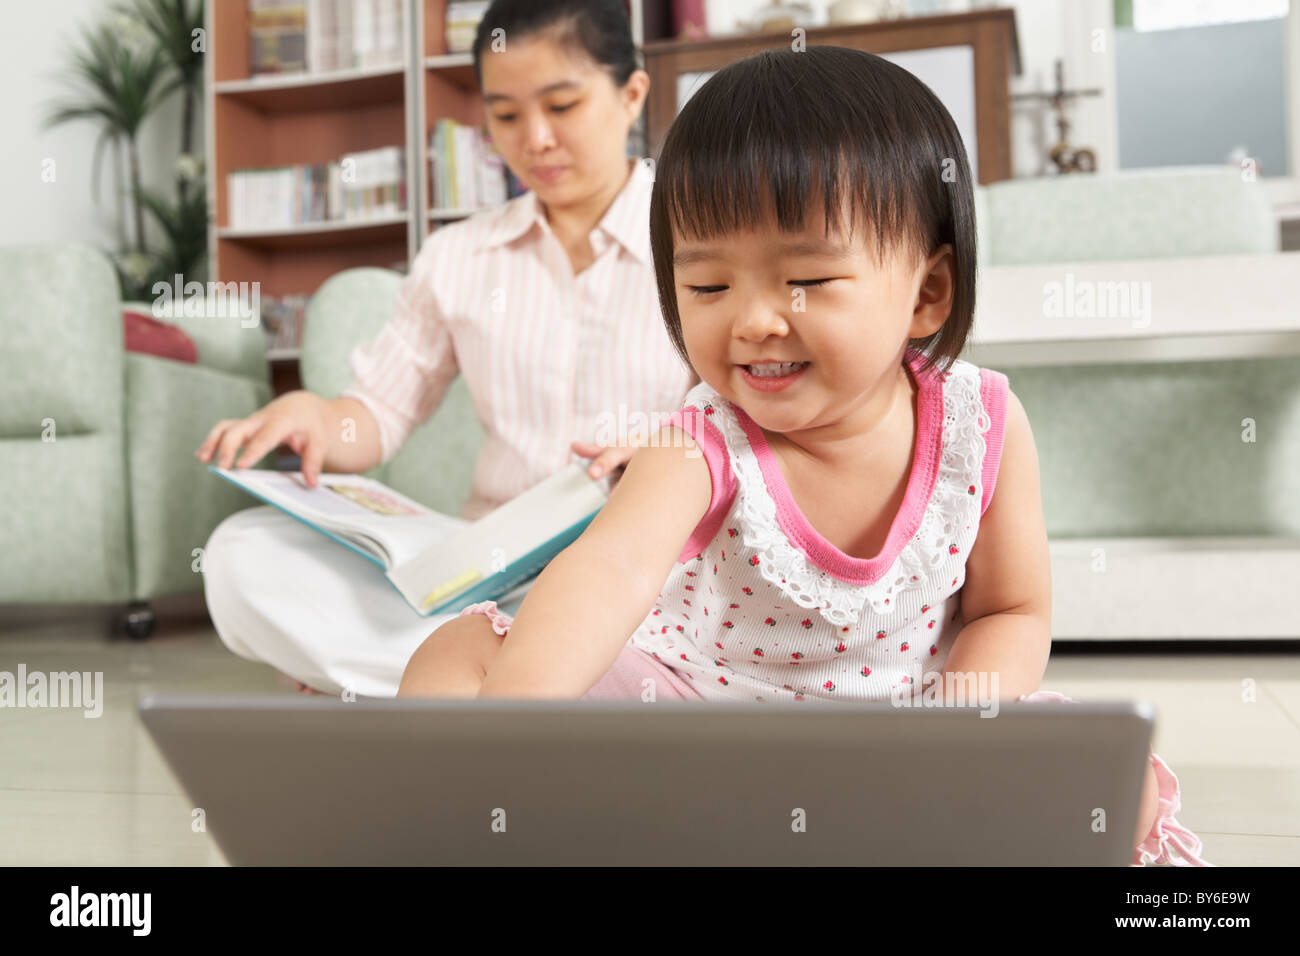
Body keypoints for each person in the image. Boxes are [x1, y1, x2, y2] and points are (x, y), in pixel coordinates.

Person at [396, 45, 1211, 867]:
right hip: (705, 721)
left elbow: (1011, 613)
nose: (752, 321)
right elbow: (605, 574)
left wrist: (958, 732)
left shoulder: (982, 423)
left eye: (807, 283)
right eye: (708, 287)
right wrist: (512, 722)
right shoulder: (698, 441)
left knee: (1116, 780)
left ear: (928, 292)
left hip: (909, 733)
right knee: (459, 658)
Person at [196, 0, 693, 697]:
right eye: (507, 115)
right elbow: (376, 415)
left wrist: (668, 460)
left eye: (562, 104)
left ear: (630, 93)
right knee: (240, 555)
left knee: (673, 605)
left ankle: (453, 682)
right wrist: (317, 417)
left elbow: (754, 416)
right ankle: (511, 679)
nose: (537, 139)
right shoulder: (458, 257)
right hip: (484, 568)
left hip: (646, 569)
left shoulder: (701, 239)